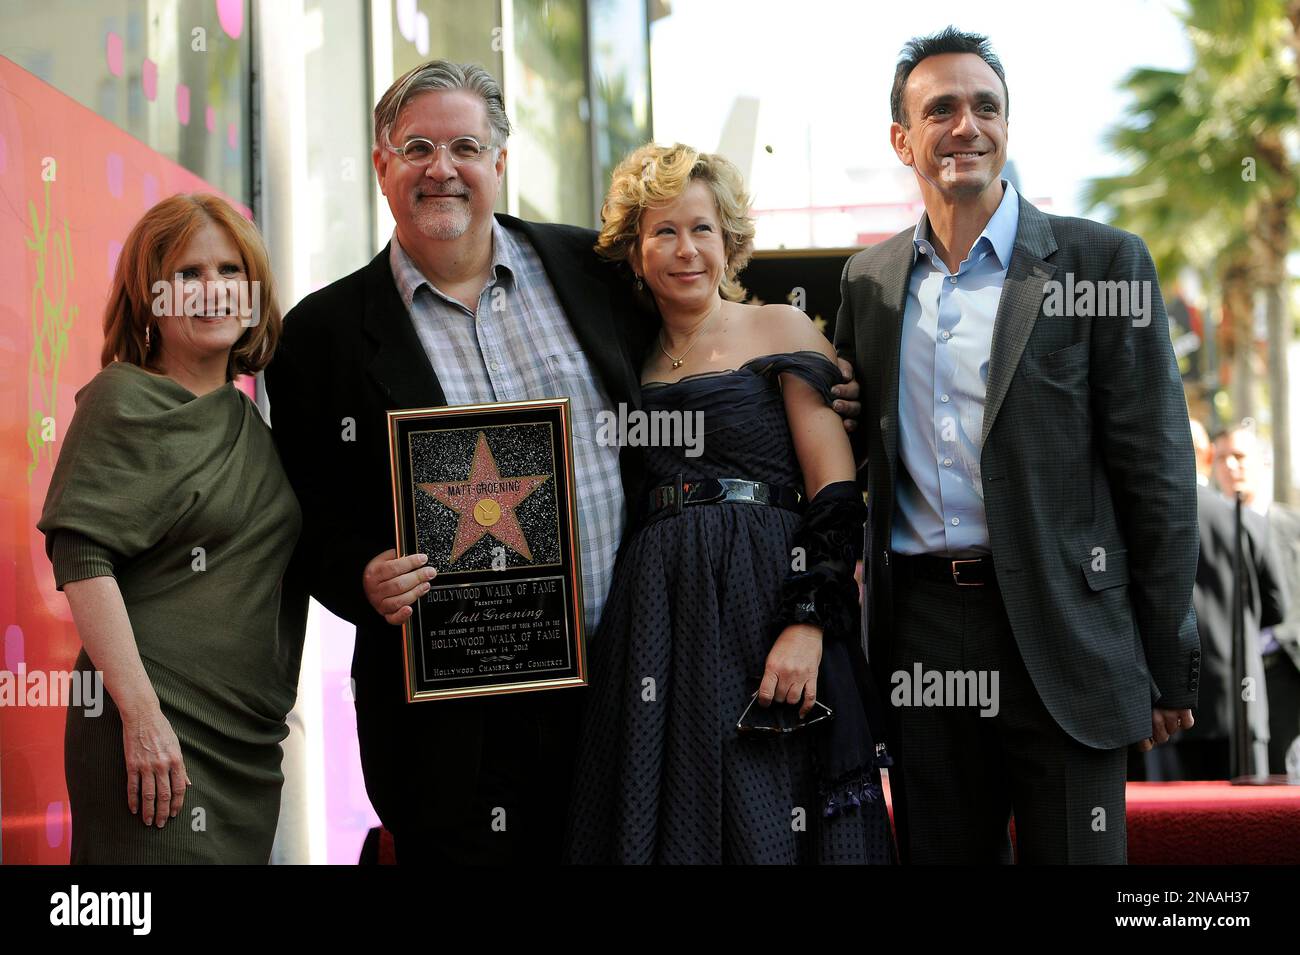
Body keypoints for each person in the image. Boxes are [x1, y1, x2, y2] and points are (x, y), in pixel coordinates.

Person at [265, 61, 864, 864]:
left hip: (631, 678)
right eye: (417, 147)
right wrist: (361, 576)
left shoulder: (597, 272)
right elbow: (303, 519)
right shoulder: (320, 336)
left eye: (466, 147)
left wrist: (822, 385)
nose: (443, 168)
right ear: (381, 165)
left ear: (499, 163)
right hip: (457, 723)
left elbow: (711, 346)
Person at [834, 27, 1200, 863]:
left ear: (1007, 125)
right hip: (923, 637)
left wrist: (1168, 660)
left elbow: (1159, 475)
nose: (967, 125)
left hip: (1069, 635)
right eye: (942, 109)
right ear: (903, 139)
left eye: (986, 106)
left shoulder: (1102, 261)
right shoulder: (869, 283)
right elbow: (856, 449)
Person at [564, 143, 893, 865]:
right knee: (668, 812)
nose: (686, 250)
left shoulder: (781, 328)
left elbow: (836, 493)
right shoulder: (619, 361)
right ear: (634, 248)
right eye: (664, 231)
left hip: (769, 596)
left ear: (730, 238)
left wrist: (809, 625)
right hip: (655, 618)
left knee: (772, 803)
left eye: (701, 228)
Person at [38, 194, 302, 863]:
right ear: (151, 297)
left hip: (244, 748)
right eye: (188, 274)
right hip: (152, 734)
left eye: (229, 271)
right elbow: (81, 555)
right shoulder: (122, 399)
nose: (213, 290)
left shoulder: (256, 427)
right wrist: (142, 716)